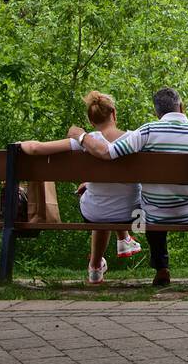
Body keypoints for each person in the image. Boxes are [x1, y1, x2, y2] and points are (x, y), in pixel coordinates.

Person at [71, 87, 188, 287]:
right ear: (181, 107)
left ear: (157, 113)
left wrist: (82, 136)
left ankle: (162, 268)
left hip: (157, 215)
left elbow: (109, 152)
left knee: (150, 208)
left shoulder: (147, 131)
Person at [20, 91, 142, 284]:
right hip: (132, 214)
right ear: (114, 114)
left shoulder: (83, 142)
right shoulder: (135, 139)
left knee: (100, 204)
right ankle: (123, 241)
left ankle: (95, 267)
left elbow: (36, 149)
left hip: (95, 213)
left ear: (91, 121)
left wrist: (19, 145)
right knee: (124, 196)